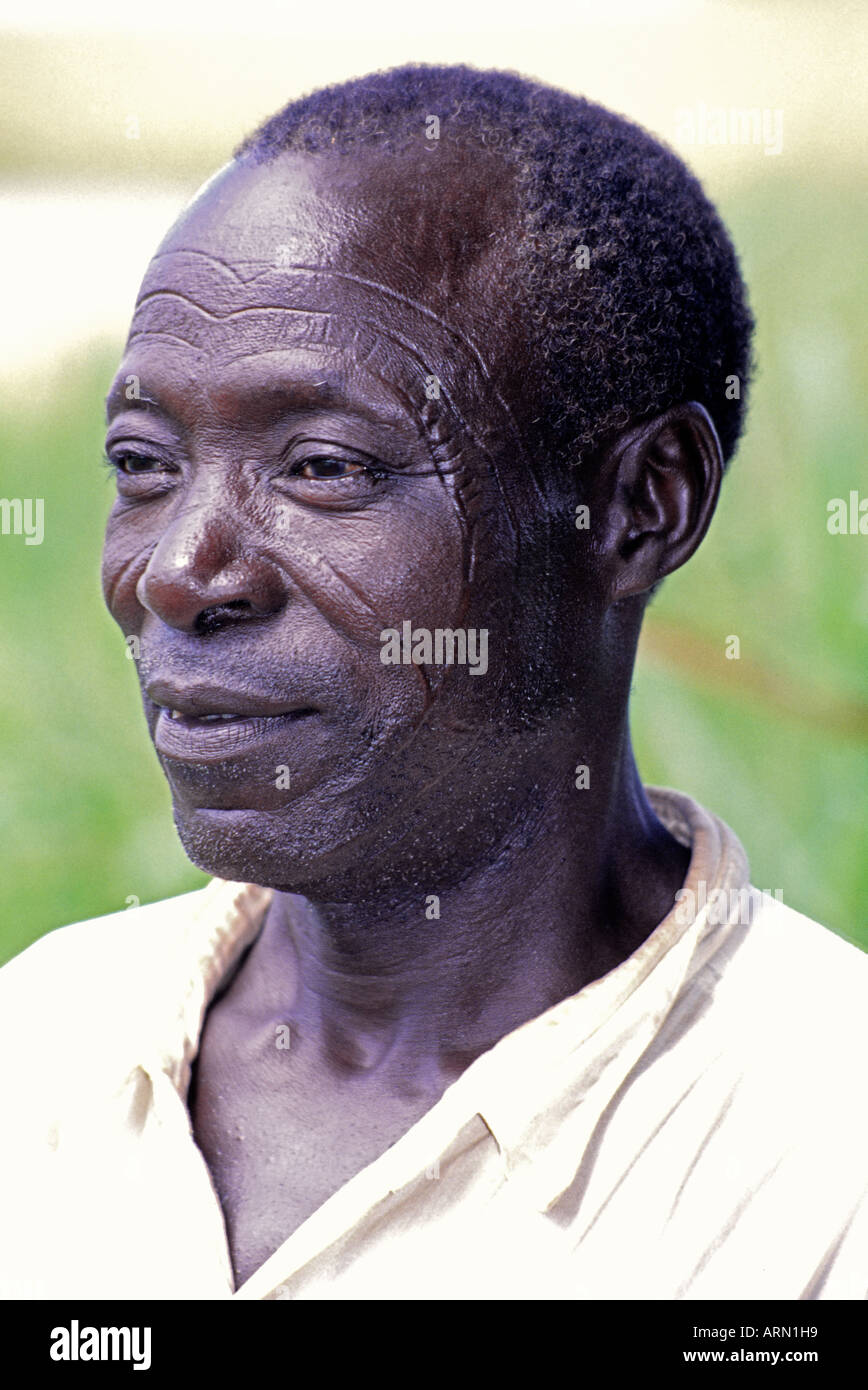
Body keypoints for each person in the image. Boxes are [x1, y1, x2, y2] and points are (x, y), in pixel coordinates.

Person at [1, 63, 865, 1301]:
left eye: (324, 466)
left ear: (640, 505)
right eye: (144, 463)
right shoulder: (45, 1039)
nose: (181, 573)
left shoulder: (821, 1154)